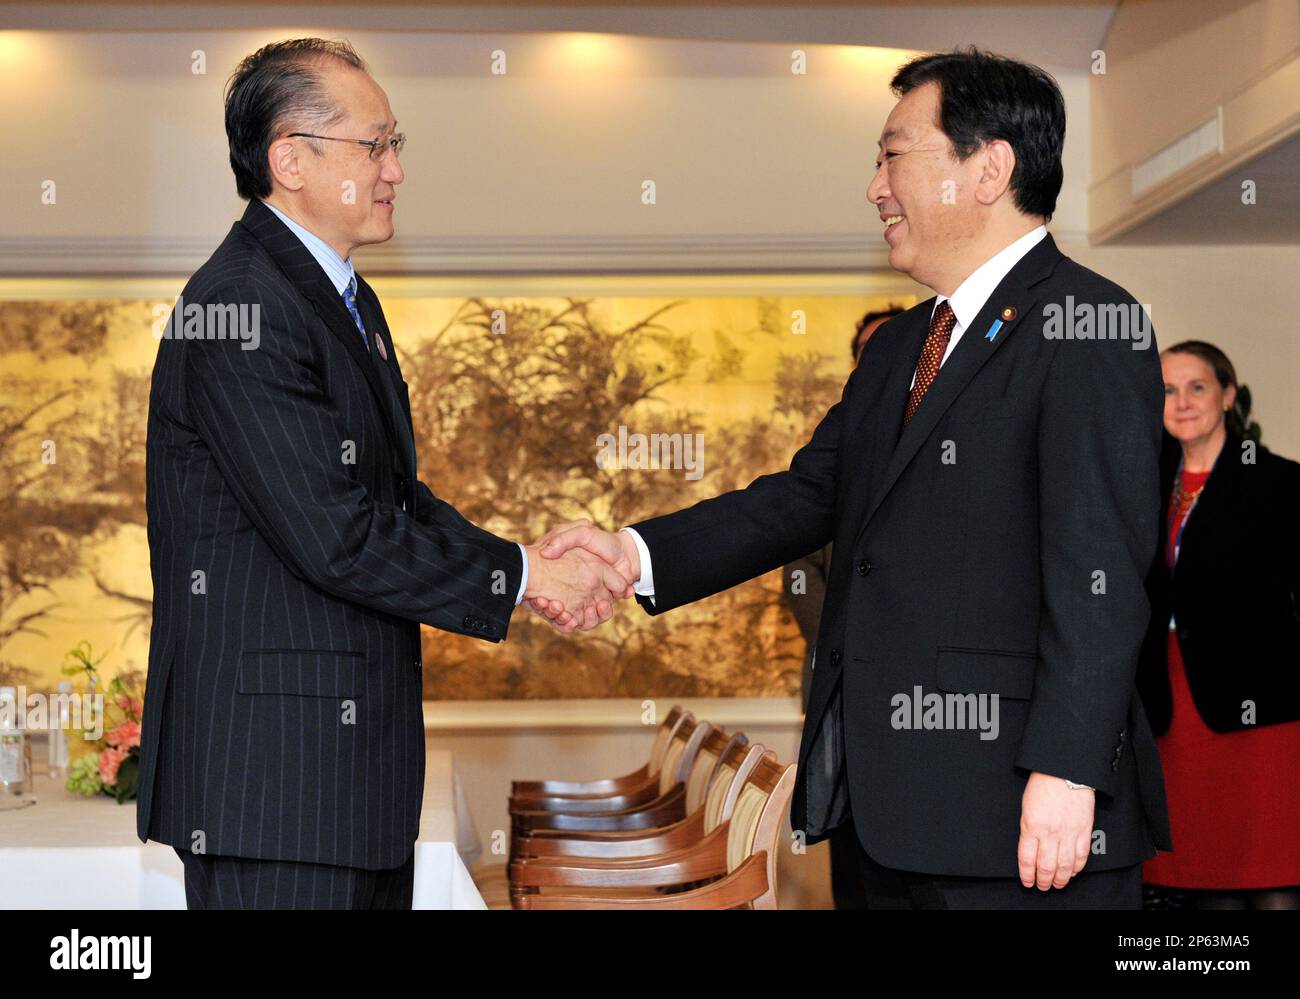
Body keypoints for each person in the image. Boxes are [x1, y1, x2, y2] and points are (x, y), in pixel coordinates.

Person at [534, 47, 1172, 909]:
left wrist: (1066, 769)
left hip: (1020, 819)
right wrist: (631, 552)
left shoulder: (1085, 325)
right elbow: (802, 498)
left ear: (989, 168)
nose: (874, 185)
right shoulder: (903, 347)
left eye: (892, 154)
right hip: (880, 808)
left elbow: (1102, 580)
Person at [138, 38, 630, 910]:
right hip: (276, 793)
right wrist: (524, 576)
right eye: (378, 144)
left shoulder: (339, 299)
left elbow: (392, 499)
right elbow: (337, 535)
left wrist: (521, 561)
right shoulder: (240, 307)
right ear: (289, 159)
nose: (397, 169)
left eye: (396, 145)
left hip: (343, 789)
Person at [1138, 341, 1300, 909]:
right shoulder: (1142, 488)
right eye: (1166, 390)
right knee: (1202, 881)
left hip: (1264, 711)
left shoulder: (1279, 483)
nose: (1181, 402)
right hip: (1170, 708)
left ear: (1228, 396)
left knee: (1272, 875)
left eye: (1197, 387)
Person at [783, 304, 901, 909]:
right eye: (868, 353)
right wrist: (850, 636)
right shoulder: (839, 443)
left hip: (929, 709)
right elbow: (798, 567)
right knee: (851, 868)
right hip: (839, 693)